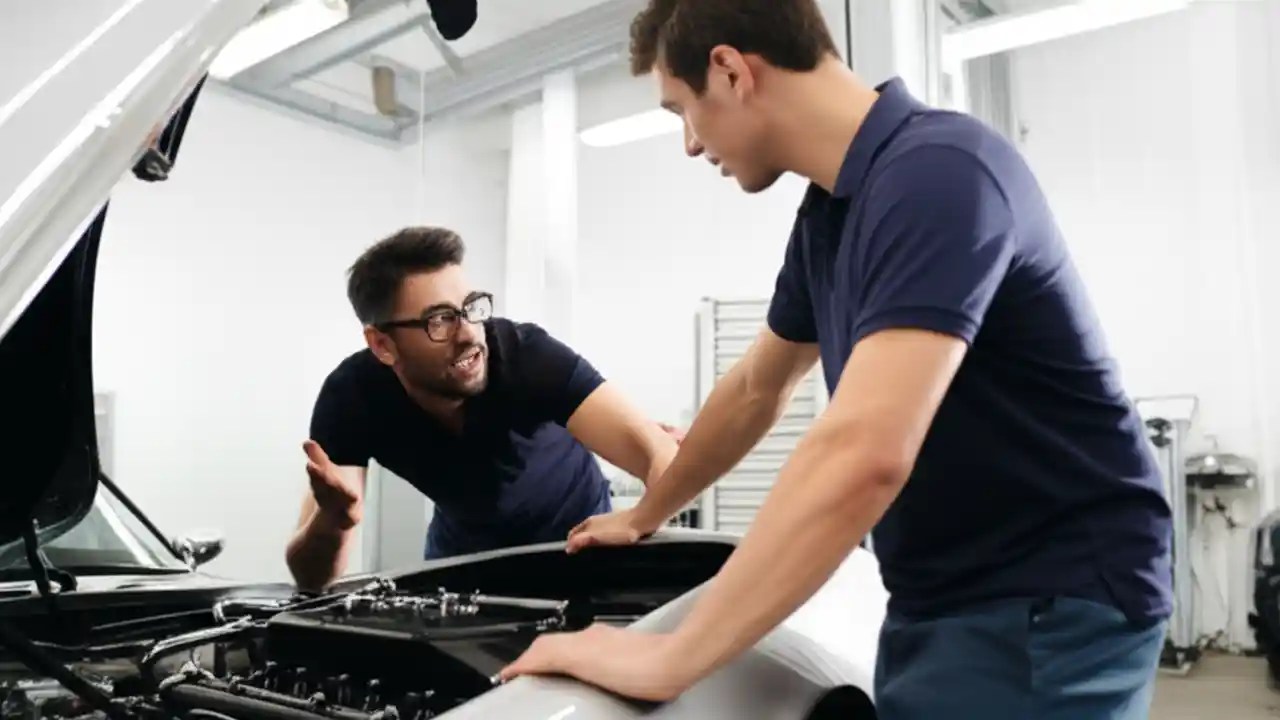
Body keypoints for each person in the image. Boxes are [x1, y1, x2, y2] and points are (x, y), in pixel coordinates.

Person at [499, 1, 1173, 717]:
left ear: (729, 71)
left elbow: (864, 450)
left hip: (1047, 593)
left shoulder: (940, 172)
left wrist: (669, 656)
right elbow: (758, 387)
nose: (690, 144)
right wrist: (648, 511)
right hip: (945, 587)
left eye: (681, 111)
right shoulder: (832, 213)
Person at [285, 226, 681, 593]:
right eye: (440, 320)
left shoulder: (531, 357)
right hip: (464, 557)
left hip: (577, 540)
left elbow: (664, 457)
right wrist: (333, 521)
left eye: (471, 307)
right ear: (383, 345)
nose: (469, 334)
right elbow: (311, 579)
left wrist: (640, 518)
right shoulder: (352, 396)